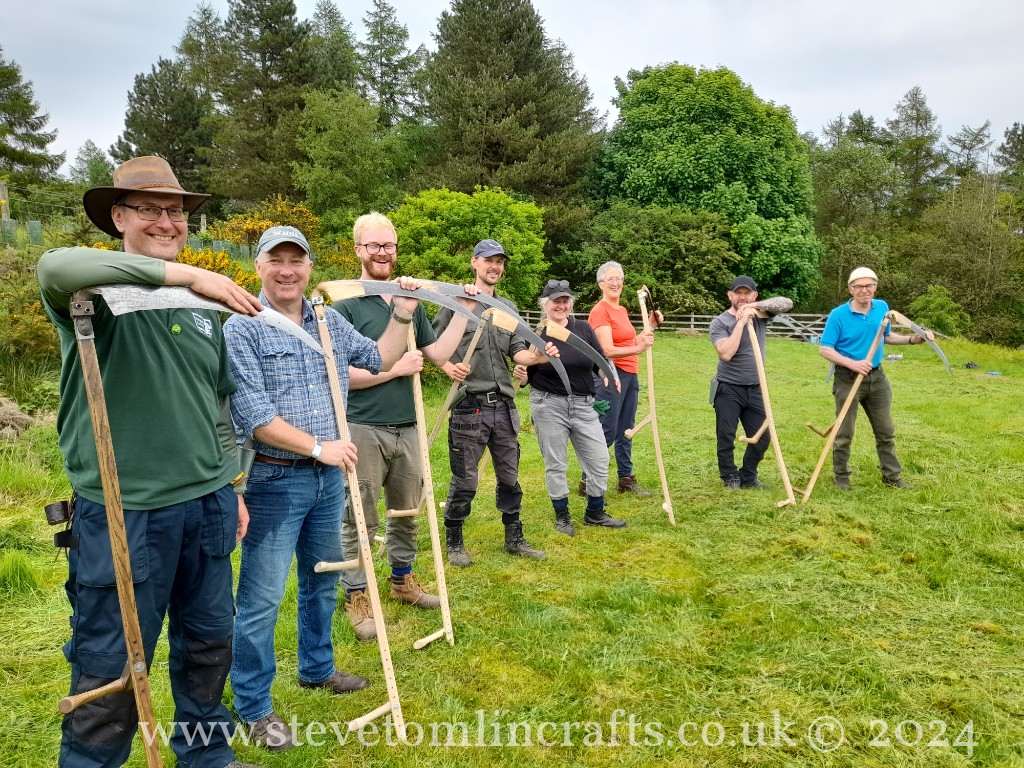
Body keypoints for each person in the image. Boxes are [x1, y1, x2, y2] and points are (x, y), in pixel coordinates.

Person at [37, 156, 261, 768]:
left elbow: (218, 403)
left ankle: (206, 755)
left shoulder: (200, 306)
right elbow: (53, 265)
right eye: (150, 210)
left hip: (207, 505)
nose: (167, 221)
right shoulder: (94, 296)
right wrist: (185, 273)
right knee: (110, 660)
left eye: (176, 211)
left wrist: (232, 485)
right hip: (125, 510)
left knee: (209, 644)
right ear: (118, 217)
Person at [224, 225, 420, 751]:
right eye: (276, 260)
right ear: (259, 266)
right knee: (262, 598)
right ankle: (254, 705)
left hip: (329, 479)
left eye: (297, 260)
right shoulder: (243, 326)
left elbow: (378, 358)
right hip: (274, 479)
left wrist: (402, 314)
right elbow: (254, 414)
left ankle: (316, 668)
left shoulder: (327, 320)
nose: (287, 271)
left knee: (323, 578)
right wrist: (319, 447)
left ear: (310, 267)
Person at [333, 212, 474, 642]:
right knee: (360, 516)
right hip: (362, 426)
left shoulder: (409, 301)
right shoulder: (346, 305)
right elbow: (339, 375)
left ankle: (402, 580)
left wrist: (464, 312)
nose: (382, 252)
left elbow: (438, 354)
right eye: (374, 245)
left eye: (389, 245)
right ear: (358, 250)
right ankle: (356, 594)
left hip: (408, 427)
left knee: (407, 510)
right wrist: (394, 371)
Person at [433, 239, 558, 567]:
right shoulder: (456, 303)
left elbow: (519, 352)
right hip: (469, 407)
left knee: (509, 476)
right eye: (489, 260)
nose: (495, 267)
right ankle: (455, 540)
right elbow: (430, 345)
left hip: (503, 406)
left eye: (500, 262)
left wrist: (539, 357)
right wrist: (448, 367)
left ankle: (514, 537)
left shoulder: (507, 308)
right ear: (475, 262)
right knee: (465, 479)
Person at [526, 280, 626, 535]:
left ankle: (595, 512)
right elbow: (525, 370)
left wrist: (607, 374)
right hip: (548, 404)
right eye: (556, 301)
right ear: (545, 305)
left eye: (565, 301)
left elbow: (598, 359)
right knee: (556, 463)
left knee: (600, 459)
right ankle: (562, 516)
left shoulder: (582, 328)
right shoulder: (537, 333)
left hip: (583, 405)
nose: (561, 306)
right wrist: (521, 372)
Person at [819, 267, 932, 491]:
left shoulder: (882, 308)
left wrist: (913, 340)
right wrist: (853, 364)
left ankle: (891, 477)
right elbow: (825, 349)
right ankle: (841, 477)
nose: (864, 290)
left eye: (869, 285)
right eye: (859, 286)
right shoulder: (838, 315)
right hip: (848, 378)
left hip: (877, 378)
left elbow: (886, 336)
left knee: (885, 431)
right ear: (851, 289)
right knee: (845, 432)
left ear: (875, 287)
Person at [585, 261, 663, 497]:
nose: (615, 283)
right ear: (601, 284)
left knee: (626, 429)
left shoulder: (622, 310)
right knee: (606, 430)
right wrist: (638, 349)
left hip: (630, 374)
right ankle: (588, 481)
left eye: (619, 278)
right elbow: (607, 350)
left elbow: (631, 342)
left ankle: (625, 479)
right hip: (610, 376)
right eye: (610, 279)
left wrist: (650, 326)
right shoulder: (600, 311)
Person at [709, 276, 791, 490]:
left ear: (755, 295)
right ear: (730, 295)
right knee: (726, 435)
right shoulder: (720, 322)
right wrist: (742, 322)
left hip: (756, 387)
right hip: (728, 388)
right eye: (738, 293)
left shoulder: (761, 314)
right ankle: (729, 476)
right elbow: (726, 353)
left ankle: (748, 475)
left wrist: (753, 308)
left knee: (762, 436)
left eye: (747, 293)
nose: (742, 297)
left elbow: (786, 303)